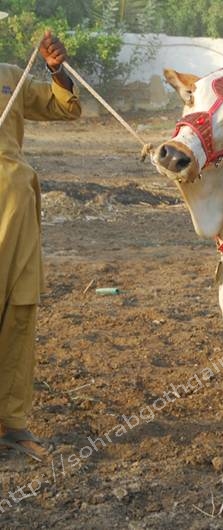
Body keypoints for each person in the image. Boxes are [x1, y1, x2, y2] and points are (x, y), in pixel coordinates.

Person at [0, 14, 82, 461]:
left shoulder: (10, 77)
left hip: (20, 207)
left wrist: (55, 70)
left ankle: (12, 425)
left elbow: (64, 106)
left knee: (20, 308)